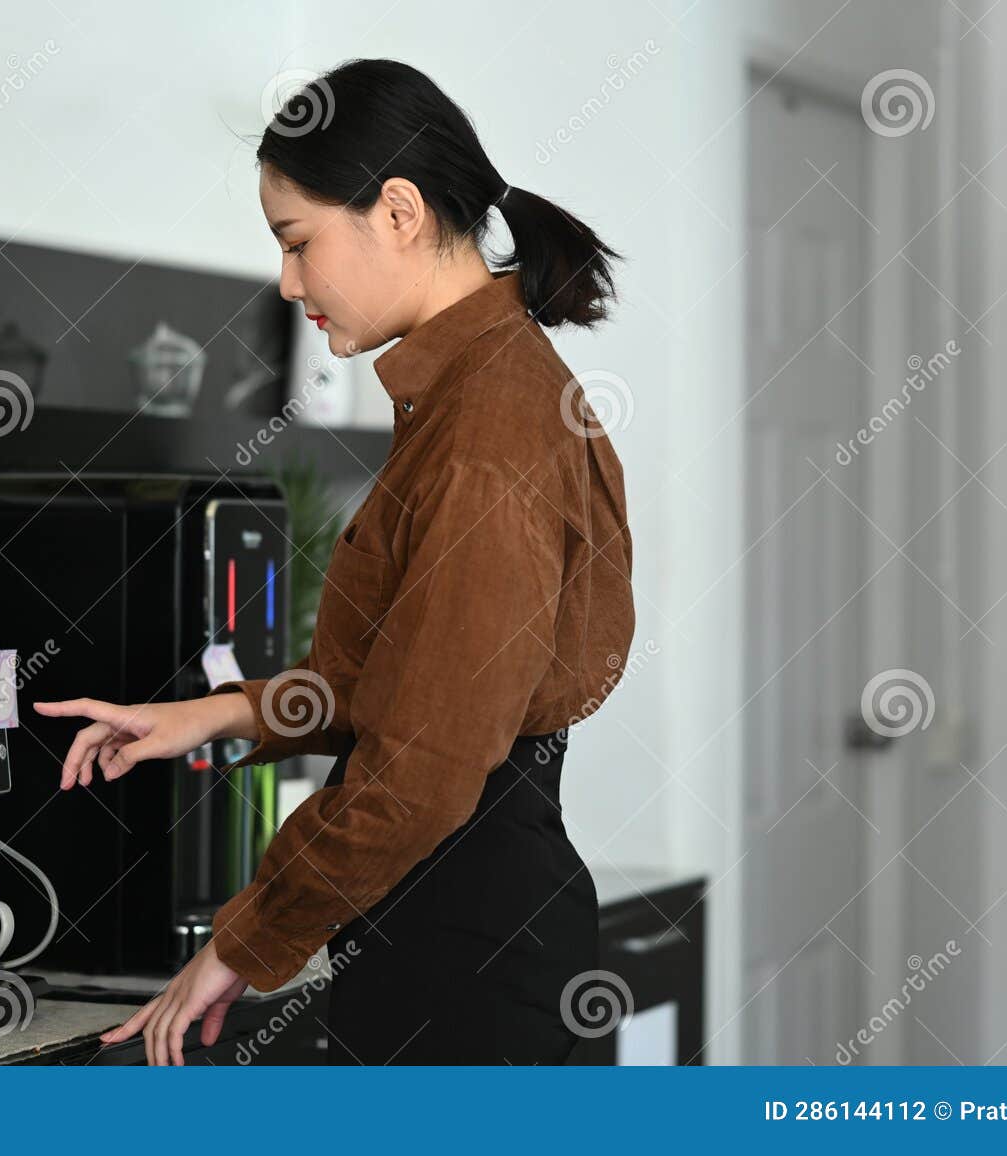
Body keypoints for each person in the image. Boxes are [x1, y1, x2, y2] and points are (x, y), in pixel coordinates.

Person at [34, 57, 634, 1066]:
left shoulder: (487, 429)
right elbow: (400, 684)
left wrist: (245, 938)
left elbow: (423, 772)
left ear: (398, 211)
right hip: (462, 935)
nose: (288, 282)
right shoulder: (476, 393)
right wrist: (214, 715)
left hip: (464, 962)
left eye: (297, 241)